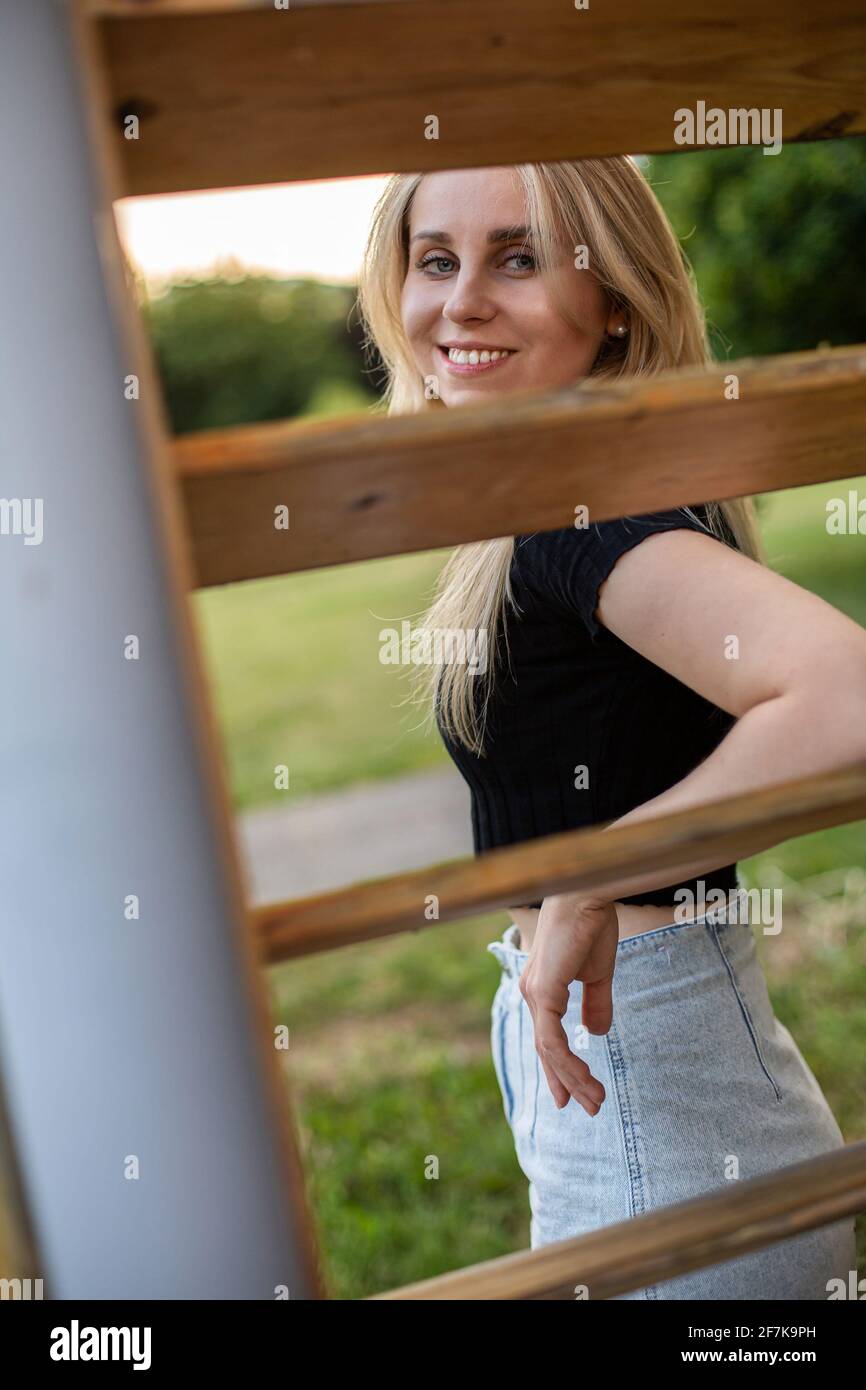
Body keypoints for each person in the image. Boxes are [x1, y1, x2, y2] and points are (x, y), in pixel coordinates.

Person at [356, 157, 865, 1298]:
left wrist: (589, 881)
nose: (461, 300)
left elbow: (846, 696)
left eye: (520, 257)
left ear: (615, 303)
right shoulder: (554, 504)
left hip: (661, 1132)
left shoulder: (580, 519)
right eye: (435, 260)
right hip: (648, 1100)